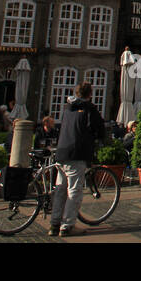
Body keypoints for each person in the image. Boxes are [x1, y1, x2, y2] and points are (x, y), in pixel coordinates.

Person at [50, 81, 105, 237]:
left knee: (60, 189)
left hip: (61, 152)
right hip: (77, 153)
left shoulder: (68, 107)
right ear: (90, 94)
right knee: (74, 190)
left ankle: (54, 224)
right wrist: (100, 139)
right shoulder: (89, 108)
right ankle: (67, 226)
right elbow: (98, 128)